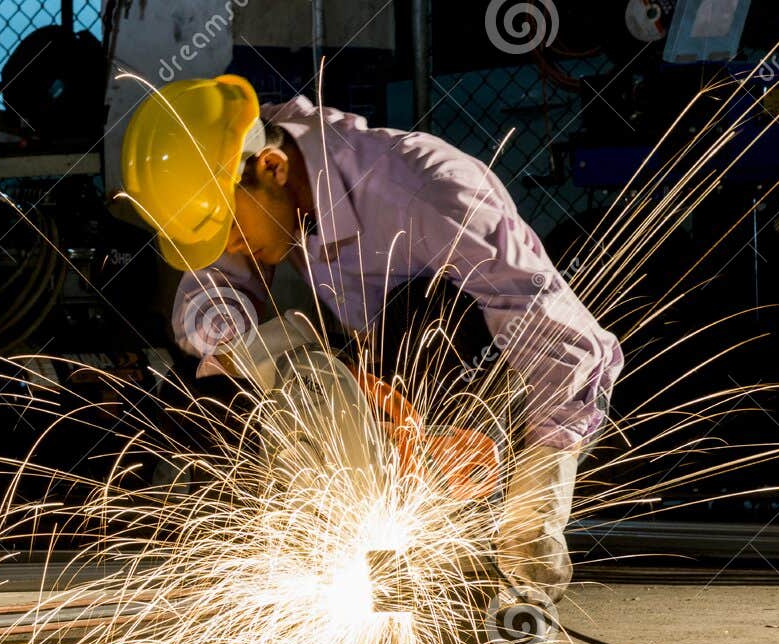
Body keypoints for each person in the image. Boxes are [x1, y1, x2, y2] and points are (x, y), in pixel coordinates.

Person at [120, 75, 623, 609]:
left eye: (233, 232)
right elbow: (206, 303)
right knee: (237, 377)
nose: (229, 247)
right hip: (386, 363)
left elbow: (573, 348)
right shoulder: (241, 166)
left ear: (272, 167)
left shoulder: (426, 192)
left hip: (510, 393)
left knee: (428, 313)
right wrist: (297, 365)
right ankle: (376, 550)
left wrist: (537, 505)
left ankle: (474, 523)